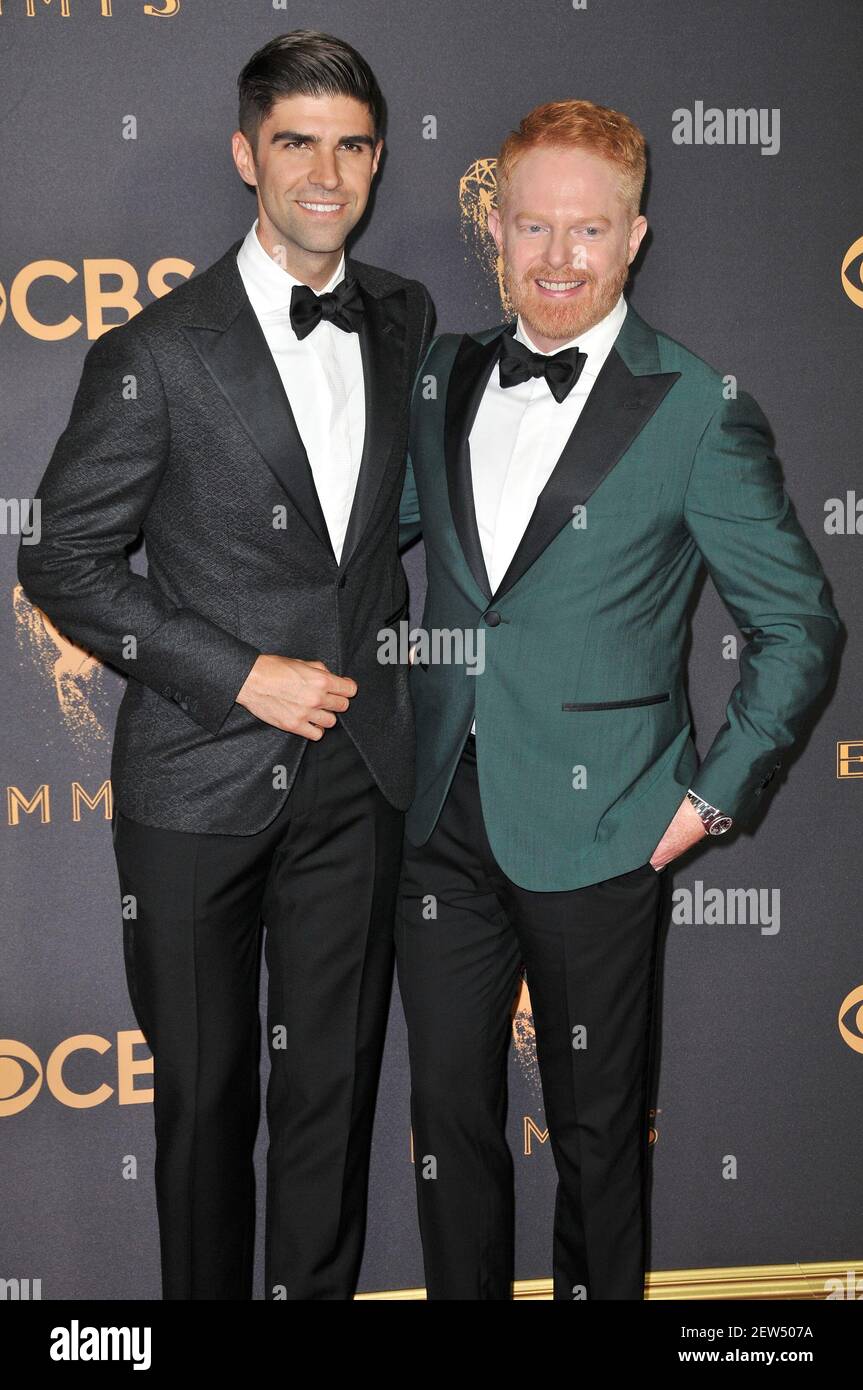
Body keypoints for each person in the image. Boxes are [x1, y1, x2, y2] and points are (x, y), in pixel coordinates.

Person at [396, 99, 840, 1300]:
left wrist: (709, 796)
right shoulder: (444, 374)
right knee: (447, 1124)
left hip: (601, 824)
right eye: (532, 226)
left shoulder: (695, 404)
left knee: (596, 1138)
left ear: (633, 236)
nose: (556, 258)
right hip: (439, 815)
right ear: (496, 228)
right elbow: (372, 536)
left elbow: (797, 625)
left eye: (586, 230)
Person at [17, 29, 433, 1301]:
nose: (325, 173)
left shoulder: (403, 316)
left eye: (350, 146)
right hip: (195, 780)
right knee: (204, 1104)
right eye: (295, 142)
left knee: (331, 1098)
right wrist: (240, 672)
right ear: (246, 154)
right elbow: (61, 559)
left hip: (358, 776)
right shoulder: (154, 351)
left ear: (377, 160)